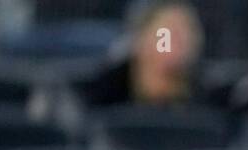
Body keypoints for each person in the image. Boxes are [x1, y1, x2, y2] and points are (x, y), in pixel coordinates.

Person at [77, 1, 208, 108]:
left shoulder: (210, 99)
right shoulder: (99, 97)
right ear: (140, 39)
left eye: (189, 32)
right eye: (170, 33)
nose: (182, 41)